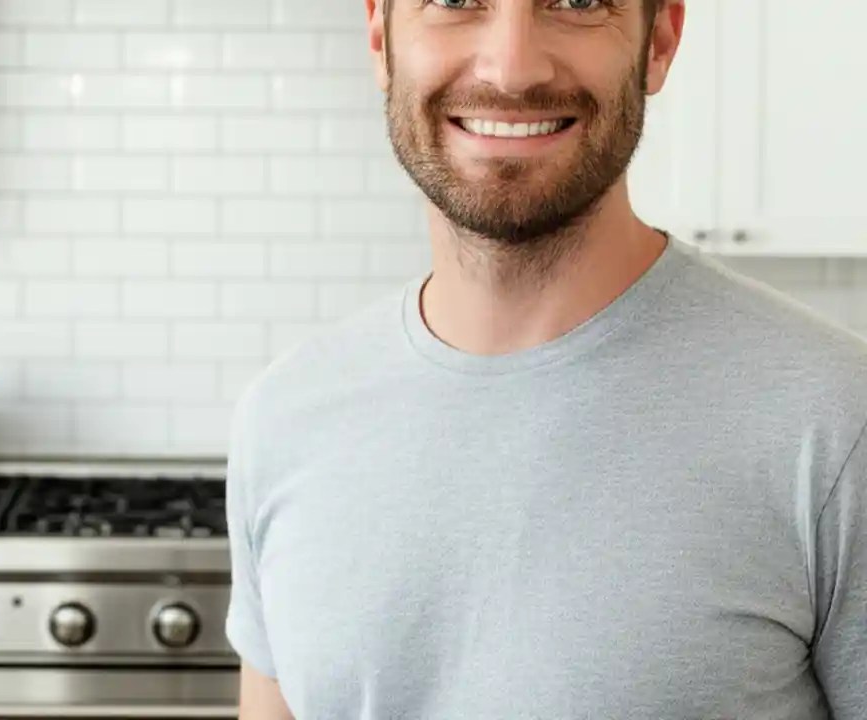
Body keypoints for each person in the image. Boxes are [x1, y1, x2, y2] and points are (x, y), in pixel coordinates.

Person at [225, 0, 867, 717]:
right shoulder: (282, 417)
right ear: (380, 35)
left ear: (659, 40)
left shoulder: (835, 421)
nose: (512, 68)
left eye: (579, 1)